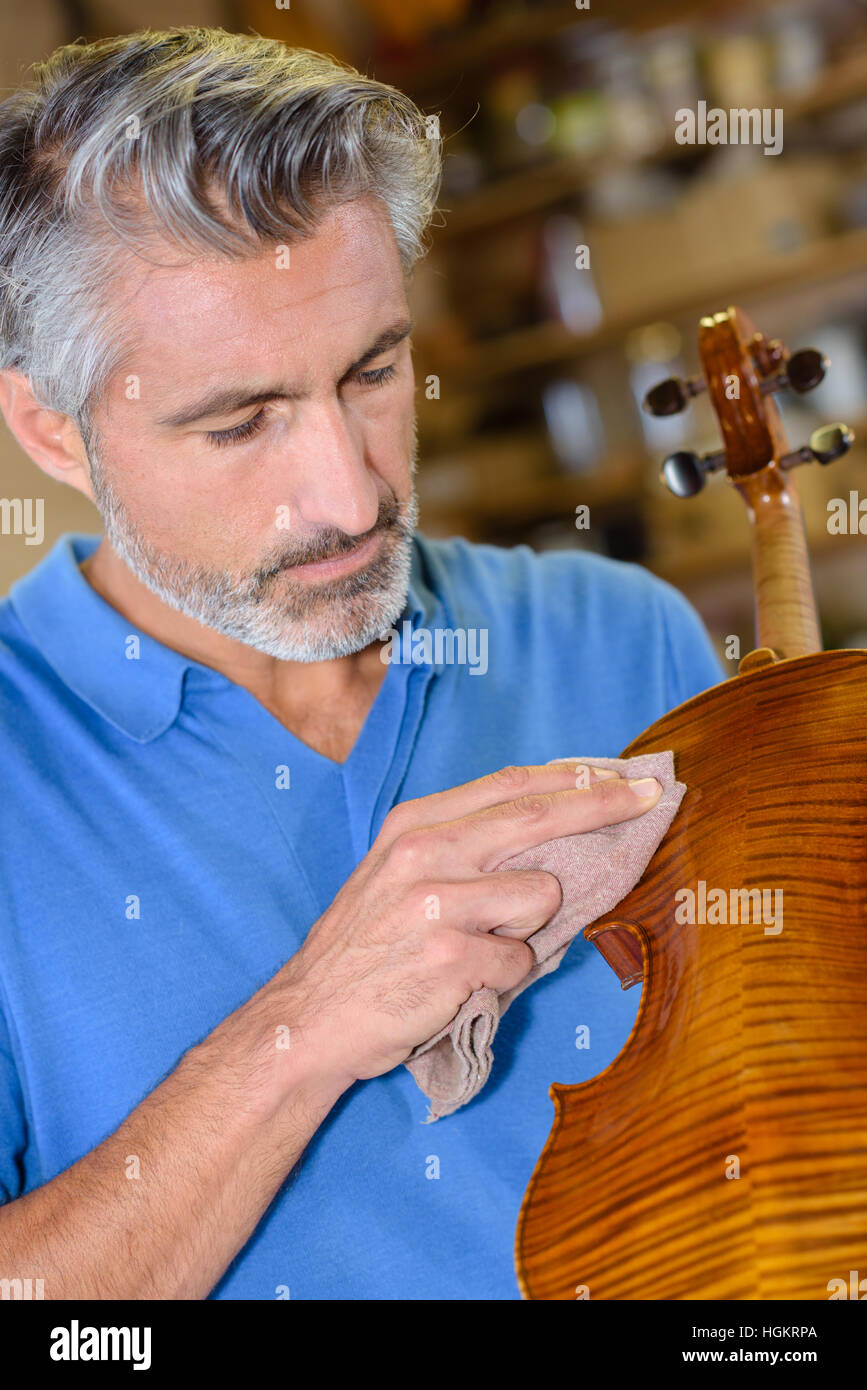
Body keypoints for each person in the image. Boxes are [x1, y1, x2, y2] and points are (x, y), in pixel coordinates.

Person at [0, 28, 725, 1299]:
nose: (349, 498)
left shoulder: (628, 637)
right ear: (53, 432)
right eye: (242, 422)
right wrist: (305, 1025)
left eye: (374, 371)